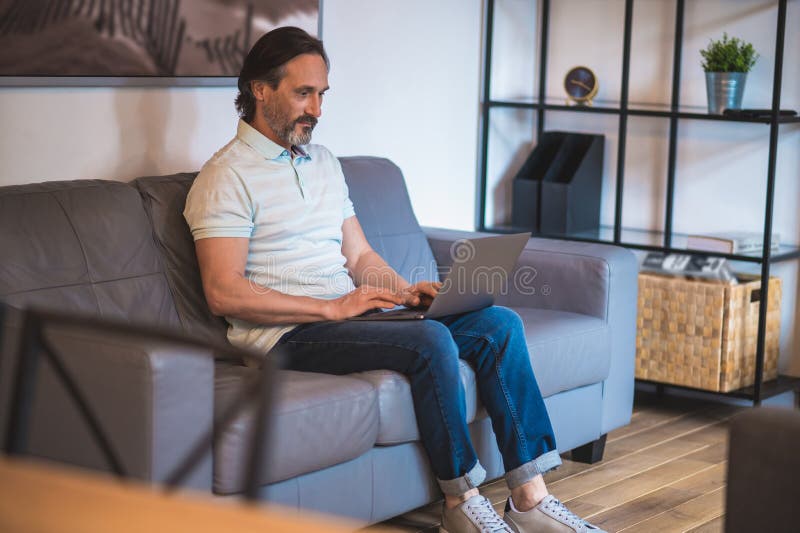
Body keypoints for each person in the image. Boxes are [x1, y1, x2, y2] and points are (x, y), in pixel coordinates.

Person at [183, 26, 605, 533]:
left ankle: (530, 499)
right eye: (303, 93)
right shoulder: (225, 177)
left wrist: (406, 291)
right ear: (259, 89)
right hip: (286, 335)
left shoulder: (322, 162)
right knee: (430, 340)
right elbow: (222, 290)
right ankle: (461, 505)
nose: (316, 108)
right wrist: (330, 308)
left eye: (321, 94)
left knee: (498, 325)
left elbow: (359, 253)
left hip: (344, 317)